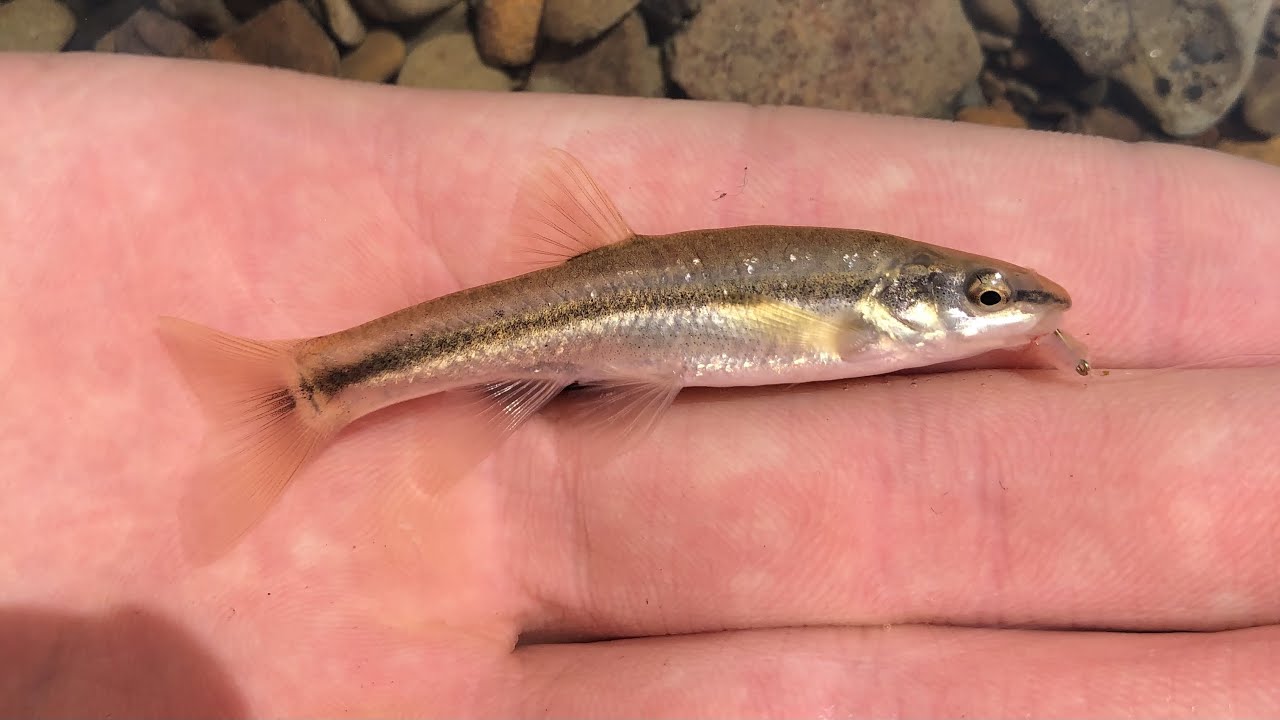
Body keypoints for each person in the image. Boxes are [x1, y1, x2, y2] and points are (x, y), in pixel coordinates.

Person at [1, 51, 1277, 718]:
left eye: (992, 300)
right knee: (406, 363)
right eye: (986, 300)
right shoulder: (868, 303)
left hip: (614, 324)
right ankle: (321, 385)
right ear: (909, 302)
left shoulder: (885, 301)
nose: (1007, 313)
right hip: (600, 320)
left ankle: (331, 385)